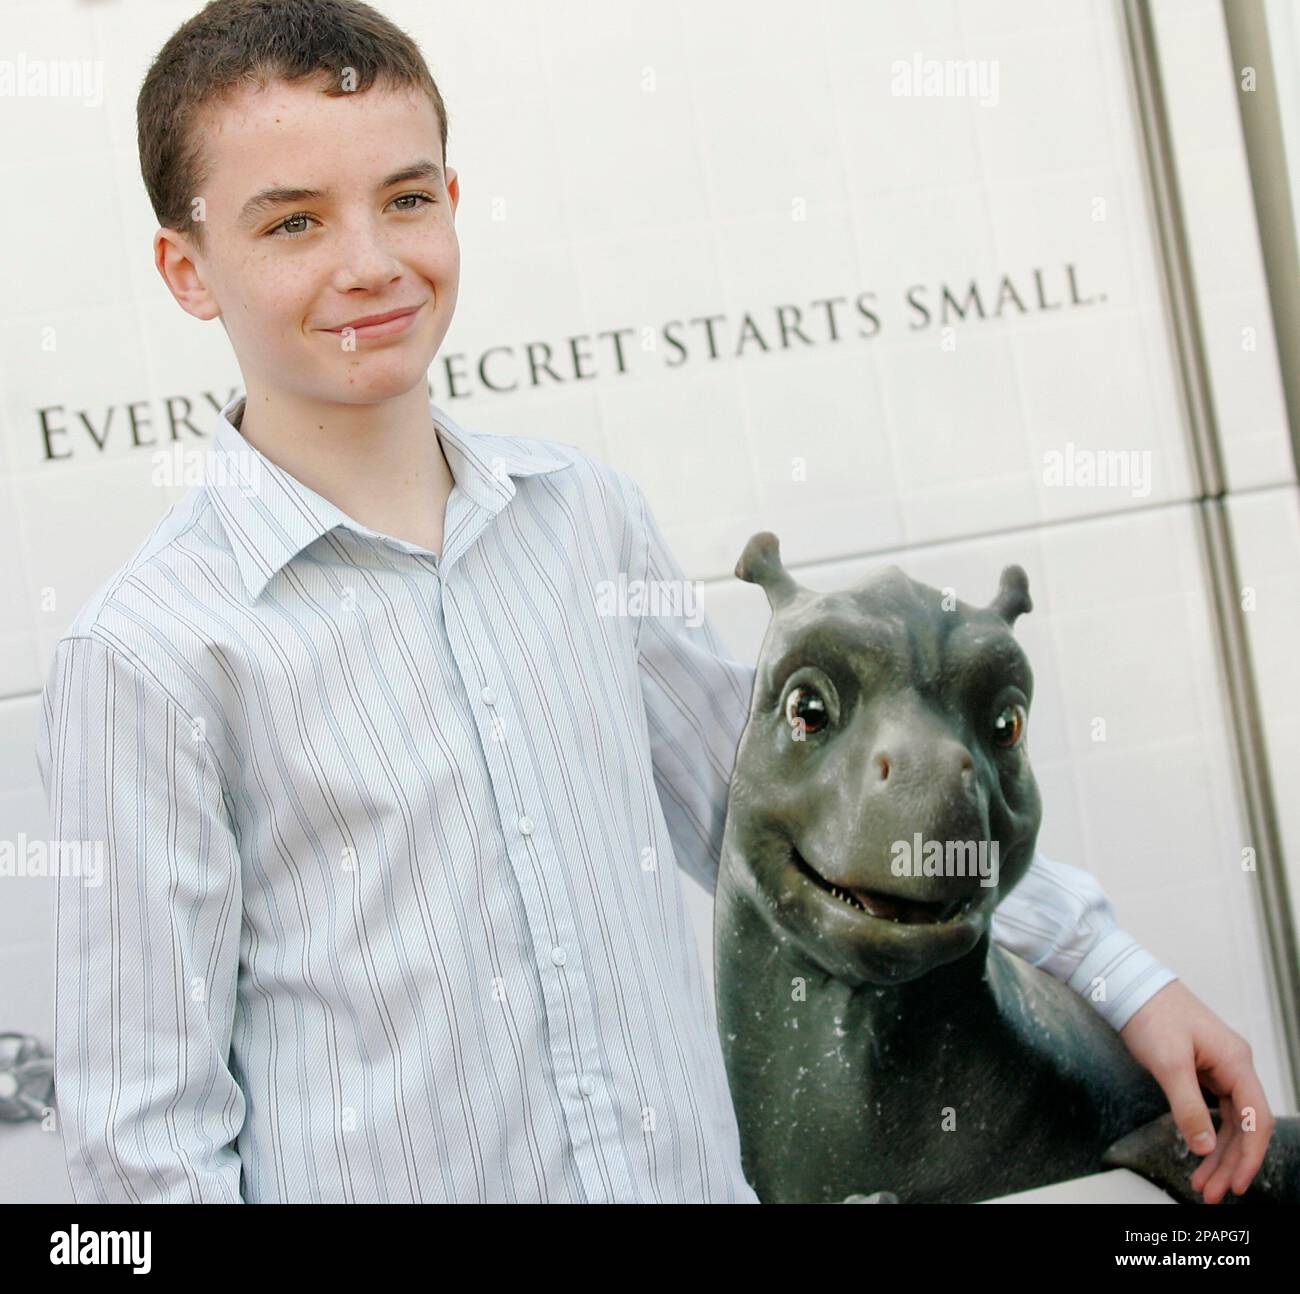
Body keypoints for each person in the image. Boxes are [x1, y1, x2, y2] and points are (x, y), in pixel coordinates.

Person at [34, 0, 1274, 1204]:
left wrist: (1119, 976)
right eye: (294, 221)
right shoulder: (150, 655)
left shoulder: (583, 521)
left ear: (452, 201)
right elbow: (147, 1143)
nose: (371, 262)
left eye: (405, 199)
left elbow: (778, 803)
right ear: (188, 270)